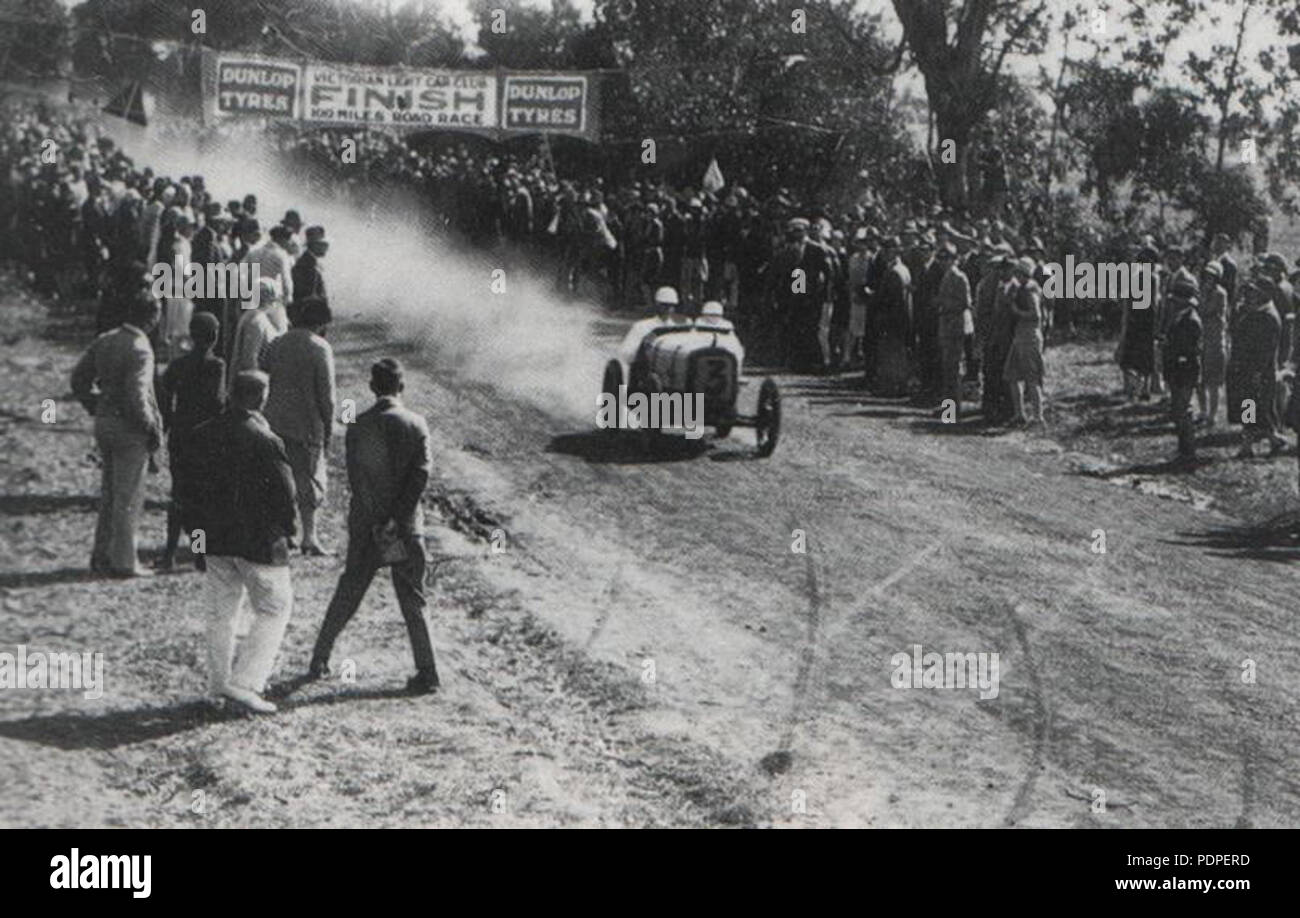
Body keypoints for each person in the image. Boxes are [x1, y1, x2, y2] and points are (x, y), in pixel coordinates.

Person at [307, 358, 440, 695]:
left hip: (368, 525)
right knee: (413, 600)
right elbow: (421, 475)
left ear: (372, 387)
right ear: (402, 386)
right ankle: (428, 673)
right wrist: (398, 518)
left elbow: (356, 480)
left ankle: (319, 658)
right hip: (408, 527)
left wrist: (379, 520)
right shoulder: (417, 423)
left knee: (350, 590)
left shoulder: (359, 425)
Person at [190, 370, 297, 714]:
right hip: (258, 545)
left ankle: (218, 684)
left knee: (220, 614)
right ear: (260, 398)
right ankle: (245, 683)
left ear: (231, 393)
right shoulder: (266, 440)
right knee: (273, 608)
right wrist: (290, 534)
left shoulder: (202, 434)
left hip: (216, 540)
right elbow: (286, 497)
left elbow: (187, 498)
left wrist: (197, 545)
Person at [70, 291, 164, 577]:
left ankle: (102, 554)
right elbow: (137, 394)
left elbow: (78, 378)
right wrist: (149, 426)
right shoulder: (140, 348)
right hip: (129, 428)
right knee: (129, 496)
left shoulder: (107, 338)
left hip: (105, 421)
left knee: (109, 493)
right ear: (150, 316)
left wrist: (93, 403)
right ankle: (124, 560)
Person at [261, 295, 337, 556]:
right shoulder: (320, 347)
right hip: (306, 422)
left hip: (275, 418)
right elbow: (327, 396)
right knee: (308, 480)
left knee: (281, 479)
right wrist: (330, 428)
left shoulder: (280, 341)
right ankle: (309, 537)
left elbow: (264, 365)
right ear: (321, 323)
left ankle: (285, 533)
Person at [157, 312, 226, 569]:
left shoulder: (178, 365)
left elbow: (162, 393)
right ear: (215, 337)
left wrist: (170, 419)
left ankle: (169, 553)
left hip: (181, 434)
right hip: (206, 438)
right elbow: (217, 402)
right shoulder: (216, 366)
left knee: (179, 495)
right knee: (203, 499)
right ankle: (199, 554)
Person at [1227, 276, 1286, 458]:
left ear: (1265, 294)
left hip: (1259, 370)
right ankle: (1269, 440)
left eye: (1255, 292)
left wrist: (1258, 372)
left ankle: (1253, 444)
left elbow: (1266, 350)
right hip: (1249, 368)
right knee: (1253, 408)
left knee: (1254, 408)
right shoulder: (1257, 313)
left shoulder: (1268, 317)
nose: (1250, 295)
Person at [1162, 277, 1203, 461]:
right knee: (1178, 409)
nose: (1173, 303)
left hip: (1184, 369)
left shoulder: (1190, 320)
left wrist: (1171, 350)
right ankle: (1184, 449)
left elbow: (1187, 350)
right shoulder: (1181, 316)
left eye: (1176, 300)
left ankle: (1188, 451)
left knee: (1183, 409)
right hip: (1179, 368)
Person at [1004, 257, 1045, 426]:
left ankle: (1038, 416)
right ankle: (1019, 413)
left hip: (1029, 337)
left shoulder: (1029, 289)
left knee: (1031, 378)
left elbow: (1036, 315)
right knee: (1012, 375)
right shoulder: (1024, 288)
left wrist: (1016, 310)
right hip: (1021, 336)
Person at [934, 242, 973, 419]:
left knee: (954, 369)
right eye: (941, 259)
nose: (943, 262)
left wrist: (943, 304)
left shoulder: (959, 277)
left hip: (955, 326)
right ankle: (948, 407)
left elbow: (966, 303)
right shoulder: (946, 275)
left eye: (946, 258)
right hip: (948, 325)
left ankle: (953, 410)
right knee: (947, 369)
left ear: (954, 259)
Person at [1197, 261, 1229, 427]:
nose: (1209, 279)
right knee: (1200, 379)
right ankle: (1203, 411)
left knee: (1213, 381)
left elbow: (1205, 311)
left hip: (1215, 341)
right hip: (1202, 340)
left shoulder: (1219, 294)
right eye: (1207, 276)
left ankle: (1212, 414)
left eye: (1212, 276)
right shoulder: (1203, 292)